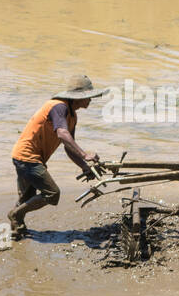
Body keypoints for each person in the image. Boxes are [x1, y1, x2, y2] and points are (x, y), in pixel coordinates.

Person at [7, 74, 108, 239]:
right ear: (79, 97)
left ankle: (16, 232)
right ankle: (14, 217)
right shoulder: (58, 107)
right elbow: (62, 134)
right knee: (52, 194)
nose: (90, 100)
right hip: (27, 156)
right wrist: (85, 154)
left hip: (29, 157)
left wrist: (84, 165)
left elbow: (68, 146)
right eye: (88, 97)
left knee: (27, 197)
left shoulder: (72, 116)